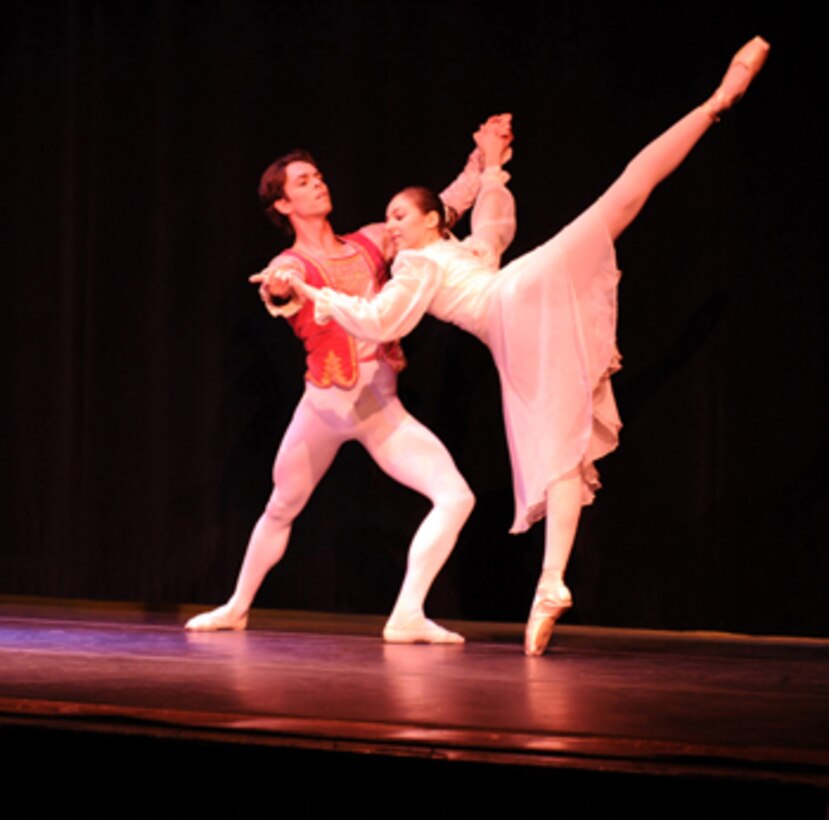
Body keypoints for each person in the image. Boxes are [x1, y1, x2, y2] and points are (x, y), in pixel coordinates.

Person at [281, 38, 770, 655]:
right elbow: (380, 321)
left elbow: (490, 226)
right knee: (563, 440)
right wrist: (314, 292)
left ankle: (550, 583)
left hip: (514, 308)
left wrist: (490, 166)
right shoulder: (414, 270)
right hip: (511, 315)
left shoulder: (449, 254)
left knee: (563, 435)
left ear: (431, 222)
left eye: (400, 217)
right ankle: (552, 580)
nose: (392, 229)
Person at [185, 115, 514, 644]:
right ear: (283, 206)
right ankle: (236, 606)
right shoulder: (288, 262)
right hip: (325, 409)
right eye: (302, 182)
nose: (317, 183)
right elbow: (278, 291)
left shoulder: (372, 241)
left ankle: (407, 613)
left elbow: (443, 207)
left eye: (317, 176)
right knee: (282, 505)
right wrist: (277, 288)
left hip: (379, 409)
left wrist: (485, 156)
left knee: (456, 496)